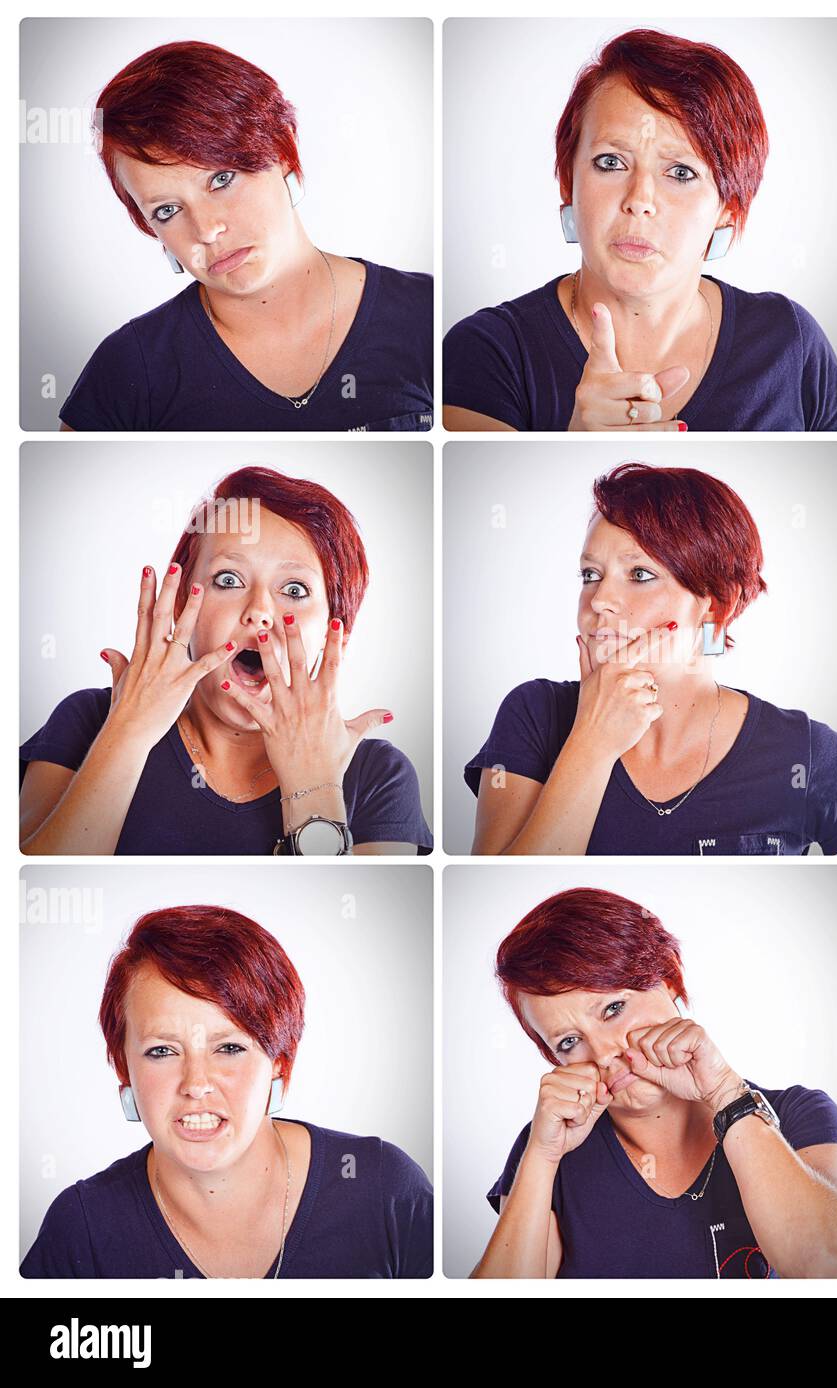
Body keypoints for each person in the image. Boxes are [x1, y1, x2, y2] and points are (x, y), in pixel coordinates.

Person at [444, 28, 837, 432]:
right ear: (569, 181)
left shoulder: (788, 340)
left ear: (728, 208)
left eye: (680, 172)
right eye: (610, 163)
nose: (639, 199)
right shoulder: (487, 350)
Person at [20, 467, 432, 855]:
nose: (259, 611)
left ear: (334, 627)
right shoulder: (91, 718)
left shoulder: (379, 774)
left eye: (294, 589)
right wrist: (127, 731)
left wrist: (314, 787)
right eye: (228, 580)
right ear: (183, 605)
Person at [465, 462, 837, 854]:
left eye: (639, 574)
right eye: (590, 575)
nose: (599, 600)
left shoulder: (804, 751)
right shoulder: (534, 714)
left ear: (717, 606)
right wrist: (592, 741)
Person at [21, 906, 433, 1278]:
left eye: (229, 1048)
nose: (196, 1084)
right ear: (124, 1069)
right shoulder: (82, 1227)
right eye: (162, 1051)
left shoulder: (384, 1189)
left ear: (279, 1062)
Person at [474, 888, 837, 1278]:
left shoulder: (797, 1115)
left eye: (613, 1008)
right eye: (569, 1041)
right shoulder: (548, 1148)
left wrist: (727, 1093)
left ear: (669, 979)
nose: (605, 1053)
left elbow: (831, 1267)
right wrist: (541, 1156)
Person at [59, 40, 432, 431]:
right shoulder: (127, 370)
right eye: (167, 210)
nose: (206, 230)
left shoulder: (427, 315)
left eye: (221, 180)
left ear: (283, 154)